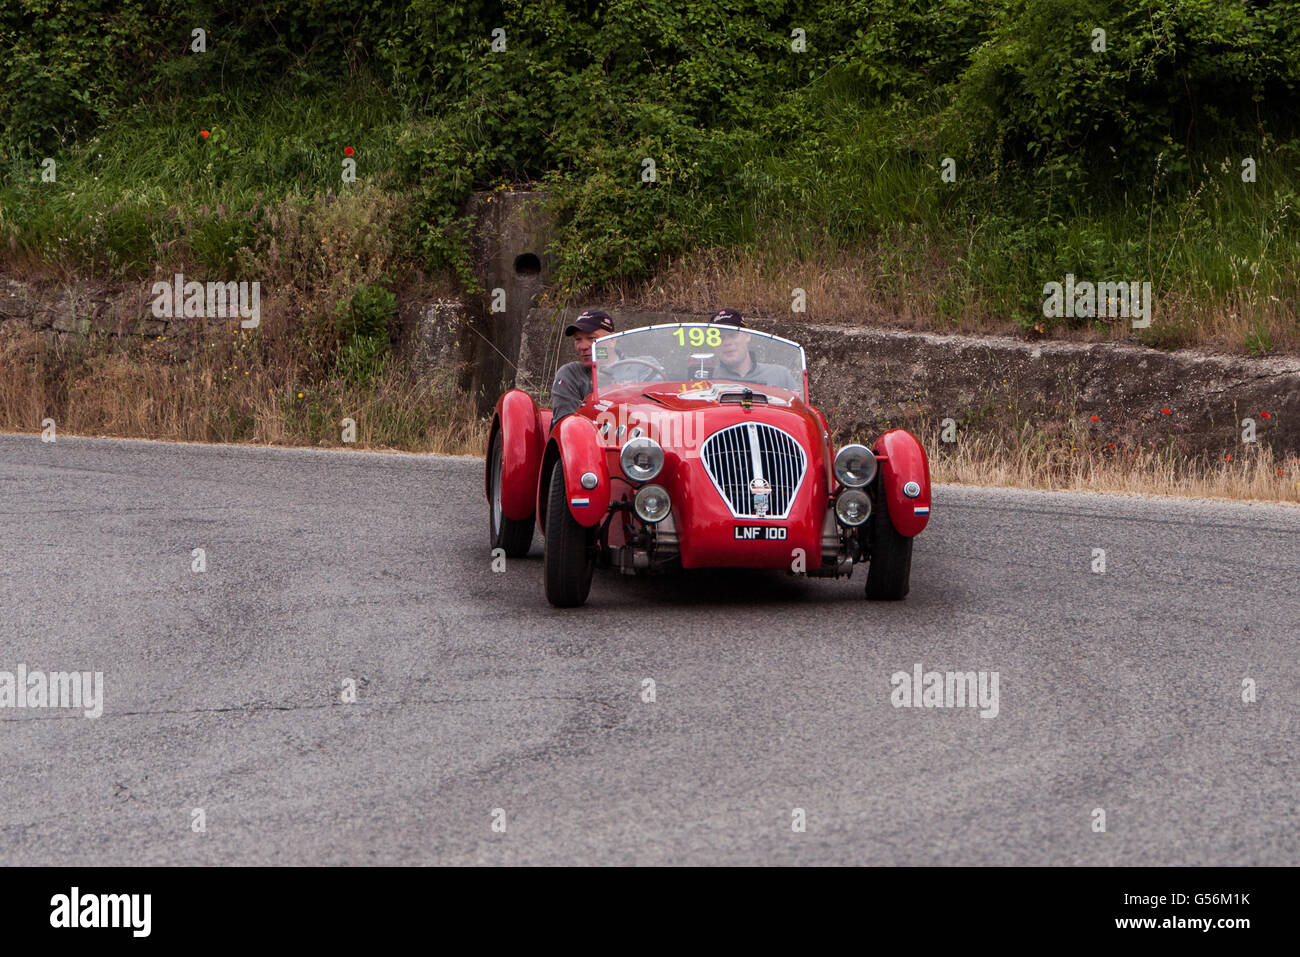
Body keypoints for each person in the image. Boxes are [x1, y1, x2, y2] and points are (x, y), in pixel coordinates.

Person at [707, 309, 800, 391]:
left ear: (747, 335)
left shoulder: (780, 375)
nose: (727, 342)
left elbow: (799, 408)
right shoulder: (706, 379)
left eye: (733, 335)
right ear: (713, 343)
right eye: (720, 338)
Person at [550, 308, 615, 425]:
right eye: (578, 339)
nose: (583, 346)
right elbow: (567, 427)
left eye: (591, 338)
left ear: (612, 340)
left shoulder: (643, 368)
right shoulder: (570, 375)